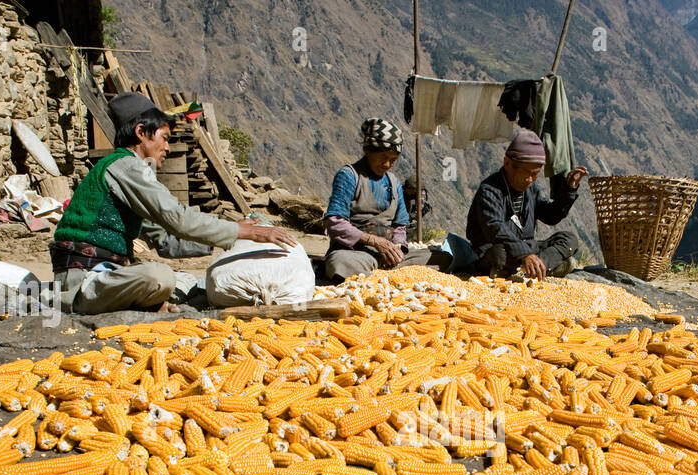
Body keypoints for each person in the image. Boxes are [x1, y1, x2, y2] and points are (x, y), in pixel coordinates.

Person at [50, 92, 296, 314]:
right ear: (140, 133)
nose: (167, 147)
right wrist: (243, 231)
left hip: (109, 274)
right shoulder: (126, 165)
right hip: (83, 278)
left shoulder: (132, 175)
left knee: (182, 281)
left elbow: (165, 241)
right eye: (164, 138)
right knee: (159, 277)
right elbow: (177, 218)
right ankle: (81, 302)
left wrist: (220, 242)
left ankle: (137, 300)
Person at [323, 118, 445, 281]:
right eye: (383, 157)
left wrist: (397, 248)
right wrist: (374, 242)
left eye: (393, 159)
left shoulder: (394, 182)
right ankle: (388, 275)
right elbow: (334, 222)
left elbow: (400, 225)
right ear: (368, 150)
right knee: (340, 263)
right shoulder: (349, 176)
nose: (387, 164)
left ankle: (385, 273)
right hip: (356, 253)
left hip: (387, 256)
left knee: (442, 257)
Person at [466, 130, 589, 279]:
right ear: (507, 163)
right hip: (495, 249)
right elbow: (495, 228)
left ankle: (535, 267)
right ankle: (548, 266)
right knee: (500, 254)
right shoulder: (489, 190)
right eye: (527, 173)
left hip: (527, 247)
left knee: (569, 239)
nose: (531, 180)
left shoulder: (531, 190)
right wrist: (525, 253)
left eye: (535, 174)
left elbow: (551, 216)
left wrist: (569, 190)